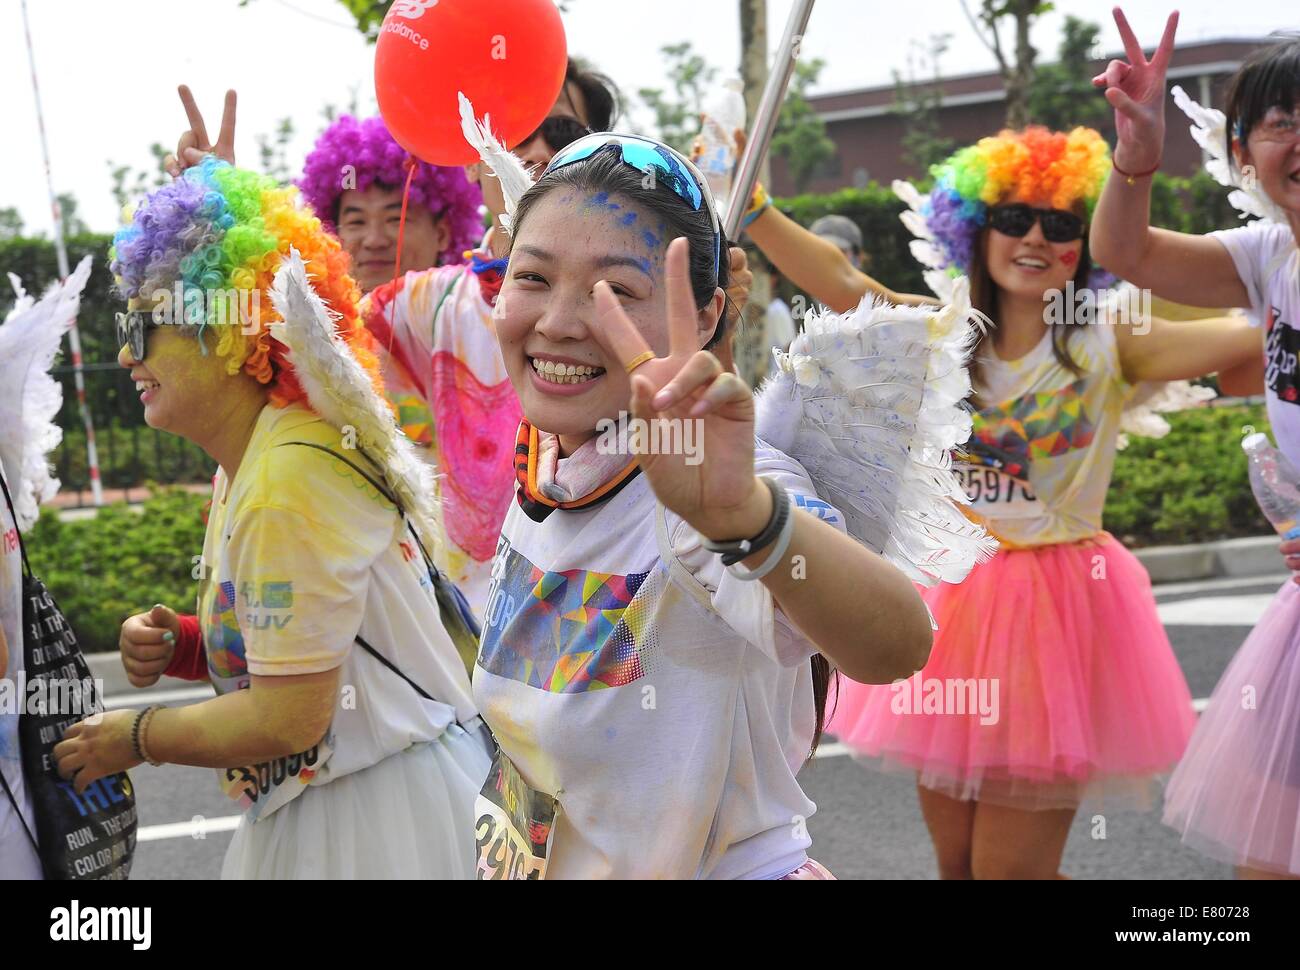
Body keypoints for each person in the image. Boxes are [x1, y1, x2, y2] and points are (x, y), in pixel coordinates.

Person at [473, 131, 939, 878]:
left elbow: (896, 644)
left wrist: (745, 520)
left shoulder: (719, 486)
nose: (559, 321)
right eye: (532, 277)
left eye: (616, 291)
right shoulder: (548, 454)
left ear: (709, 309)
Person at [821, 123, 1262, 879]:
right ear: (974, 231)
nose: (1034, 238)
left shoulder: (1110, 343)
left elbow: (1252, 333)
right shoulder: (944, 338)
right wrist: (754, 207)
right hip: (951, 608)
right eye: (1012, 218)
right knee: (957, 869)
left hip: (1061, 612)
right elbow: (845, 286)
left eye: (1061, 224)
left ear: (1086, 245)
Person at [52, 156, 490, 879]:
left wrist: (133, 735)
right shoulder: (264, 453)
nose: (127, 353)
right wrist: (191, 646)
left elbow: (290, 718)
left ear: (226, 325)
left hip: (372, 828)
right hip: (357, 803)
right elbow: (324, 631)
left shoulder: (287, 474)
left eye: (142, 322)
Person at [1090, 10, 1300, 880]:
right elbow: (1124, 249)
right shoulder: (1269, 257)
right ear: (1244, 153)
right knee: (1269, 858)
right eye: (1282, 121)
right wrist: (1136, 158)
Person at [298, 113, 484, 293]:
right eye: (356, 221)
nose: (374, 241)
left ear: (443, 235)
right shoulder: (295, 323)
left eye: (396, 219)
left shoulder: (484, 317)